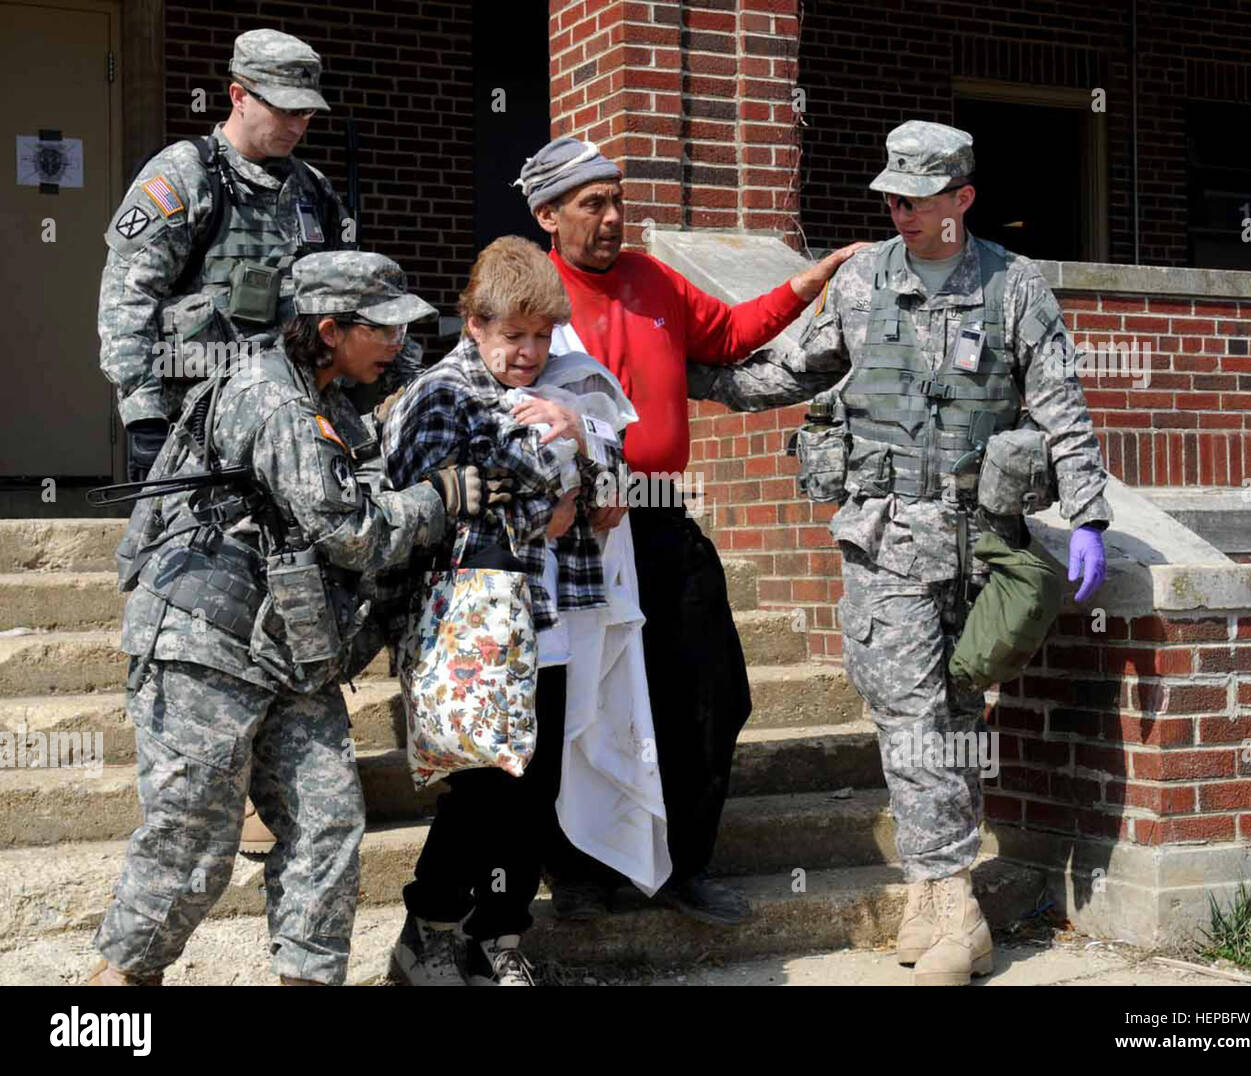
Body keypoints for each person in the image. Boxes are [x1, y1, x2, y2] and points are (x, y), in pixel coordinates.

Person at [689, 120, 1111, 984]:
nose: (897, 211)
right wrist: (691, 373)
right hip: (886, 541)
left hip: (983, 544)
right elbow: (794, 369)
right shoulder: (863, 282)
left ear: (962, 198)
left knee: (956, 719)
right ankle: (954, 897)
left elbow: (1060, 402)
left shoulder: (1016, 286)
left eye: (915, 199)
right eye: (889, 197)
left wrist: (1092, 517)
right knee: (911, 716)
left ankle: (933, 894)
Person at [88, 251, 480, 986]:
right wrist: (442, 497)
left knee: (326, 825)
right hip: (205, 644)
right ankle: (116, 998)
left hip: (290, 648)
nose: (399, 345)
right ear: (330, 329)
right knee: (190, 845)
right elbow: (352, 532)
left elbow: (420, 388)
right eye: (384, 330)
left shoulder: (327, 386)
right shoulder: (272, 399)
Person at [512, 136, 865, 926]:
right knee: (577, 704)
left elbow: (731, 336)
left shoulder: (653, 279)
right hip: (571, 526)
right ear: (547, 215)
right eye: (590, 204)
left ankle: (680, 867)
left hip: (662, 514)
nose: (611, 218)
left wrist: (808, 283)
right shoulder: (533, 296)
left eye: (615, 200)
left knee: (712, 690)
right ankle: (575, 873)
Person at [97, 27, 422, 853]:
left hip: (290, 432)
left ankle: (267, 785)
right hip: (197, 433)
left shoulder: (312, 190)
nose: (298, 127)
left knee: (287, 597)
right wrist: (139, 410)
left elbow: (346, 302)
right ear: (238, 94)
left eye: (309, 113)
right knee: (196, 607)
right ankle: (193, 786)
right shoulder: (185, 175)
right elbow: (130, 293)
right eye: (284, 110)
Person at [382, 236, 622, 987]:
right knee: (482, 790)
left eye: (541, 336)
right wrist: (560, 485)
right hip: (468, 627)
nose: (527, 352)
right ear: (473, 324)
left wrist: (583, 440)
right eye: (512, 335)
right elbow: (428, 510)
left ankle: (500, 938)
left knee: (533, 791)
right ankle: (427, 932)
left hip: (547, 624)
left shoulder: (563, 395)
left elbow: (610, 498)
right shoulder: (437, 396)